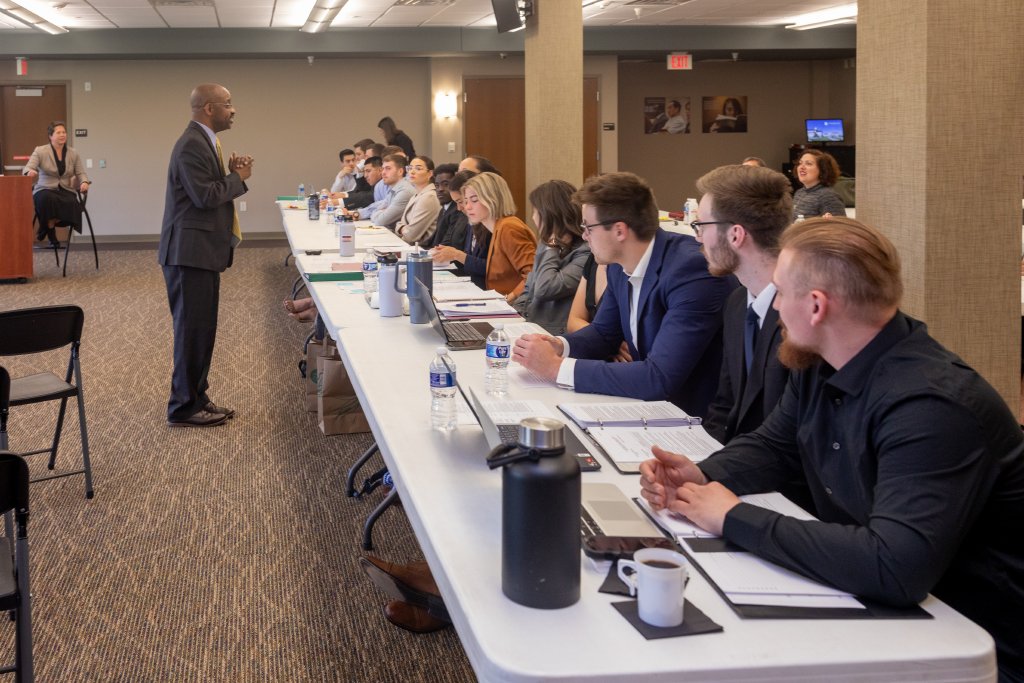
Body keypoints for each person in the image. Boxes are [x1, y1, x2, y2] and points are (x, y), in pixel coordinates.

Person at [639, 218, 1024, 681]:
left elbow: (894, 566)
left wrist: (732, 517)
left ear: (817, 306)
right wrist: (701, 475)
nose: (775, 306)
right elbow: (775, 447)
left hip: (974, 646)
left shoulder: (931, 406)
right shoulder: (819, 361)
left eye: (782, 292)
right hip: (885, 612)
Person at [512, 172, 736, 416]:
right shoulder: (618, 265)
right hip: (648, 409)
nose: (584, 236)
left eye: (588, 227)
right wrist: (559, 345)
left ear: (619, 230)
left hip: (693, 418)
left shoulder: (692, 270)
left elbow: (659, 377)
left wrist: (557, 368)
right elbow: (603, 333)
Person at [157, 83, 252, 428]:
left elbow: (207, 190)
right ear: (209, 108)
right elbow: (204, 197)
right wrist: (238, 178)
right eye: (228, 103)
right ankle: (182, 407)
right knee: (191, 332)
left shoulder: (204, 141)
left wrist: (230, 175)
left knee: (202, 330)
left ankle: (197, 397)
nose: (233, 109)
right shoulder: (191, 144)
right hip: (188, 253)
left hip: (201, 252)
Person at [695, 164, 792, 445]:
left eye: (701, 226)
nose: (697, 237)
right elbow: (725, 407)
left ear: (736, 235)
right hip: (737, 460)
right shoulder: (738, 303)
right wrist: (700, 460)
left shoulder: (799, 316)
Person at [512, 180, 591, 335]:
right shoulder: (545, 244)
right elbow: (529, 287)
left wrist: (552, 245)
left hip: (554, 335)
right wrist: (516, 316)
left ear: (548, 215)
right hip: (531, 326)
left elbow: (545, 288)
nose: (533, 217)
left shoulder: (585, 252)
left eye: (535, 211)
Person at [460, 172, 536, 301]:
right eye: (466, 201)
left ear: (492, 198)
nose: (467, 207)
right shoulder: (497, 228)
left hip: (515, 306)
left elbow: (533, 275)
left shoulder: (509, 228)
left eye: (474, 200)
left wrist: (510, 298)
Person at [23, 120, 90, 245]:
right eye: (58, 132)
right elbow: (27, 168)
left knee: (72, 203)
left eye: (64, 132)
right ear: (50, 136)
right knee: (46, 198)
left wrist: (84, 182)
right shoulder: (40, 151)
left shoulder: (73, 153)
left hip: (64, 189)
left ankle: (47, 226)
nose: (62, 135)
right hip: (44, 188)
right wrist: (29, 172)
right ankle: (51, 232)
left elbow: (80, 172)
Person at [431, 170, 490, 289]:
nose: (459, 208)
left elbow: (493, 269)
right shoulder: (471, 222)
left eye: (462, 202)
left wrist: (457, 255)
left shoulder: (492, 226)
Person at [349, 153, 413, 230]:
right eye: (383, 169)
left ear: (400, 171)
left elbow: (380, 221)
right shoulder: (394, 189)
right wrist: (379, 212)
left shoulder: (404, 192)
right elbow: (378, 206)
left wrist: (378, 213)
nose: (383, 172)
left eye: (388, 168)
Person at [394, 155, 440, 245]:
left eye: (418, 169)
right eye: (410, 168)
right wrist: (403, 228)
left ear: (430, 173)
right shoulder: (416, 195)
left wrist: (401, 229)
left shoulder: (429, 197)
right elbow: (400, 224)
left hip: (421, 248)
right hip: (409, 245)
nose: (412, 172)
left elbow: (411, 236)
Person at [423, 163, 467, 249]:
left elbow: (447, 243)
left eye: (446, 184)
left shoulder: (458, 210)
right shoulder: (444, 208)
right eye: (437, 185)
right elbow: (433, 239)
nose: (440, 189)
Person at [792, 149, 847, 219]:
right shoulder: (799, 193)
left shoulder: (829, 196)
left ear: (822, 170)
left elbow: (840, 224)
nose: (801, 167)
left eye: (808, 163)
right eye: (800, 163)